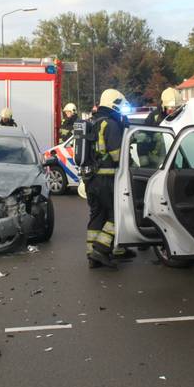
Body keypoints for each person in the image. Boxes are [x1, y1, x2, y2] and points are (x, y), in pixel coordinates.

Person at [85, 88, 134, 269]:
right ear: (113, 103)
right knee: (116, 214)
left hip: (91, 179)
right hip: (107, 179)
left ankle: (92, 256)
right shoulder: (111, 125)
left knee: (97, 215)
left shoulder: (94, 122)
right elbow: (116, 155)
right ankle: (102, 249)